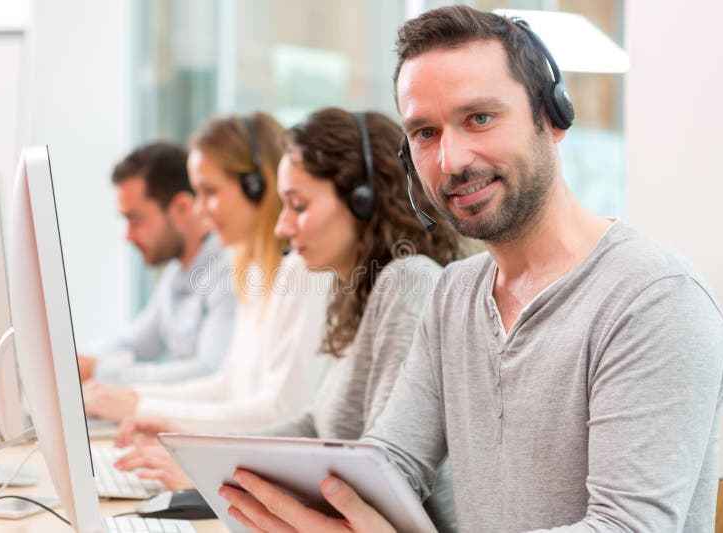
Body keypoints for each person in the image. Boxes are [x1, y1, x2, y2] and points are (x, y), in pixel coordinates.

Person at [219, 7, 723, 533]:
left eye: (479, 118)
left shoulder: (655, 299)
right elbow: (391, 460)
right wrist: (256, 486)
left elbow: (628, 527)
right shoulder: (454, 294)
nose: (452, 160)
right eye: (425, 132)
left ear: (552, 116)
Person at [111, 108, 472, 530]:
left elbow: (380, 474)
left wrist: (218, 472)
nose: (282, 227)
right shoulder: (360, 294)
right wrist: (205, 458)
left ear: (363, 199)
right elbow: (313, 425)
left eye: (298, 206)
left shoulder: (408, 282)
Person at [83, 112, 335, 433]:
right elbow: (229, 385)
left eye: (210, 192)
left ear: (256, 186)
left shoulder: (303, 272)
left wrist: (139, 407)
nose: (199, 209)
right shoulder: (251, 271)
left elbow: (279, 412)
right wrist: (135, 399)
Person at [78, 142, 235, 385]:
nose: (128, 236)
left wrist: (99, 371)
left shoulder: (229, 272)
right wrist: (74, 363)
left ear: (183, 207)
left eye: (136, 220)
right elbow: (133, 344)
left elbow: (211, 371)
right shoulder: (175, 276)